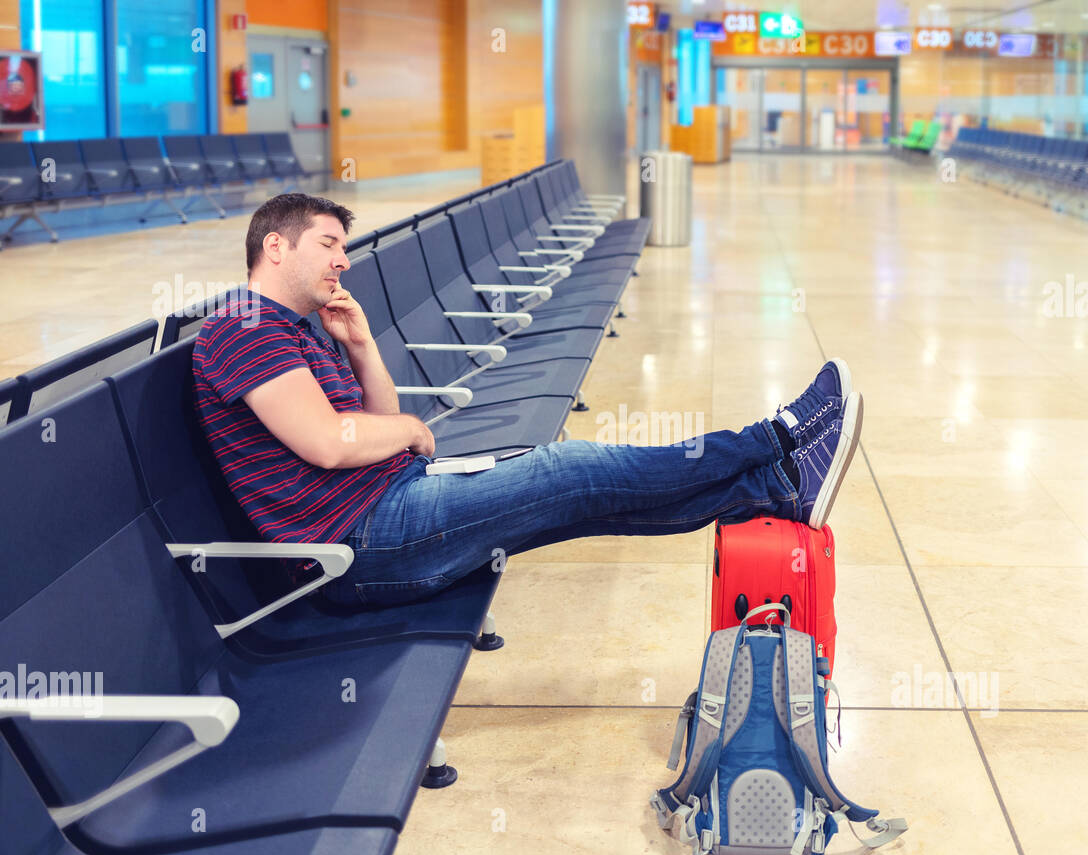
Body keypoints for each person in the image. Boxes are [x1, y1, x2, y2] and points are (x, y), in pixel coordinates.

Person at [193, 193, 863, 608]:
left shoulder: (296, 332)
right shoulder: (242, 326)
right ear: (273, 247)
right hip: (360, 546)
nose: (343, 261)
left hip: (393, 507)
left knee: (590, 497)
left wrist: (363, 346)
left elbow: (366, 422)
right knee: (571, 470)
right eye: (328, 245)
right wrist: (405, 432)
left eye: (345, 248)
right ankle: (774, 437)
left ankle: (780, 486)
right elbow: (326, 441)